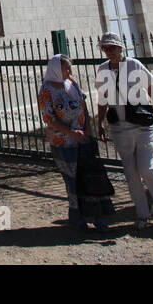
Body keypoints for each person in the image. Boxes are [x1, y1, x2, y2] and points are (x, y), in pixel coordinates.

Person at [95, 32, 153, 230]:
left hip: (142, 124)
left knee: (146, 167)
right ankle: (142, 214)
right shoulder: (103, 70)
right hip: (120, 126)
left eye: (112, 48)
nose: (109, 52)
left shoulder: (134, 65)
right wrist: (100, 122)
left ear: (121, 48)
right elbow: (103, 97)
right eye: (105, 48)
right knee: (130, 173)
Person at [38, 55, 112, 231]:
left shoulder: (72, 83)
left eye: (70, 68)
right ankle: (77, 216)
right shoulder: (47, 90)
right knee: (73, 181)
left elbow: (84, 107)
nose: (69, 72)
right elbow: (49, 119)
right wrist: (71, 132)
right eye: (66, 68)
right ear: (56, 69)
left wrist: (88, 129)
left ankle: (97, 215)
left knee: (90, 177)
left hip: (83, 139)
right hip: (63, 142)